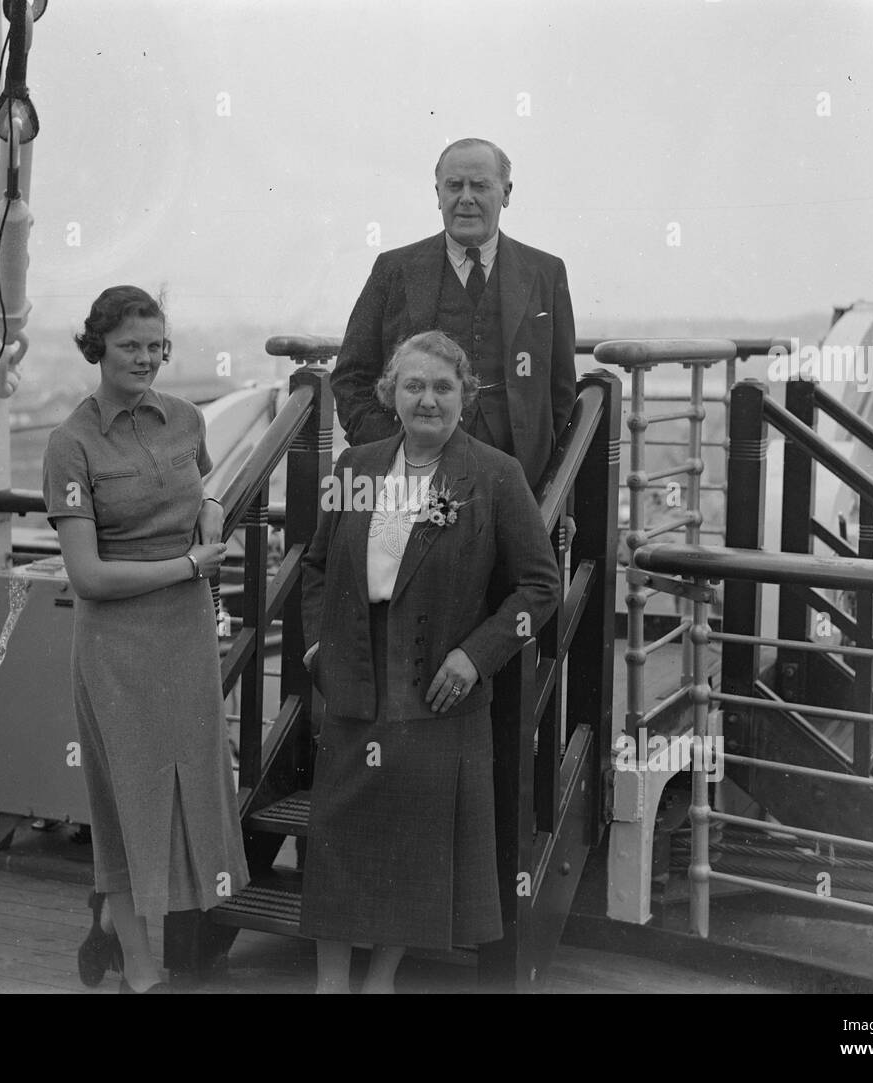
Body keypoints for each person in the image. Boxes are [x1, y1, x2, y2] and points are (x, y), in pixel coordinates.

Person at [299, 330, 561, 993]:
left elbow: (542, 586)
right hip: (357, 668)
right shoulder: (355, 467)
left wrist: (477, 657)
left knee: (412, 840)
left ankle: (380, 977)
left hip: (438, 686)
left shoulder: (495, 477)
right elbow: (316, 565)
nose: (428, 398)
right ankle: (331, 981)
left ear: (465, 397)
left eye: (443, 386)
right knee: (339, 830)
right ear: (390, 393)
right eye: (413, 384)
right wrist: (314, 647)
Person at [42, 285, 249, 993]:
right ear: (96, 346)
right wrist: (190, 564)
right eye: (130, 345)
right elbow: (88, 575)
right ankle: (139, 965)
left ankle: (108, 915)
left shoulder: (186, 418)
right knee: (128, 797)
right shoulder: (71, 443)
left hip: (184, 639)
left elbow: (204, 490)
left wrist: (213, 512)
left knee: (185, 790)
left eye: (156, 345)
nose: (146, 358)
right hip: (118, 647)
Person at [331, 138, 577, 489]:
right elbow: (351, 377)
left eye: (480, 186)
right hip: (413, 472)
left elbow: (561, 390)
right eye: (454, 186)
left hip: (518, 476)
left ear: (506, 192)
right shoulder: (394, 269)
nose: (466, 198)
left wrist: (554, 488)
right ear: (438, 194)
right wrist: (392, 447)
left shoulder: (545, 272)